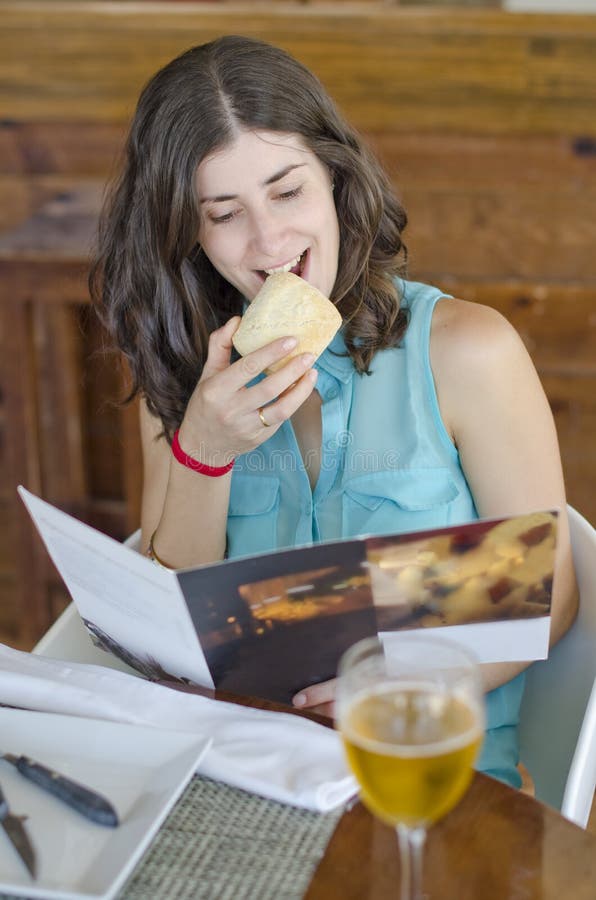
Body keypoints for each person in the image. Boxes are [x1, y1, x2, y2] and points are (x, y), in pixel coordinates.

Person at [89, 35, 577, 788]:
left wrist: (401, 688)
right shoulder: (188, 379)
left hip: (435, 770)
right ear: (189, 231)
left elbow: (555, 599)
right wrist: (204, 450)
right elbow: (170, 631)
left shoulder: (468, 352)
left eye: (288, 191)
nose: (270, 239)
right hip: (246, 772)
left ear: (336, 179)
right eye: (225, 212)